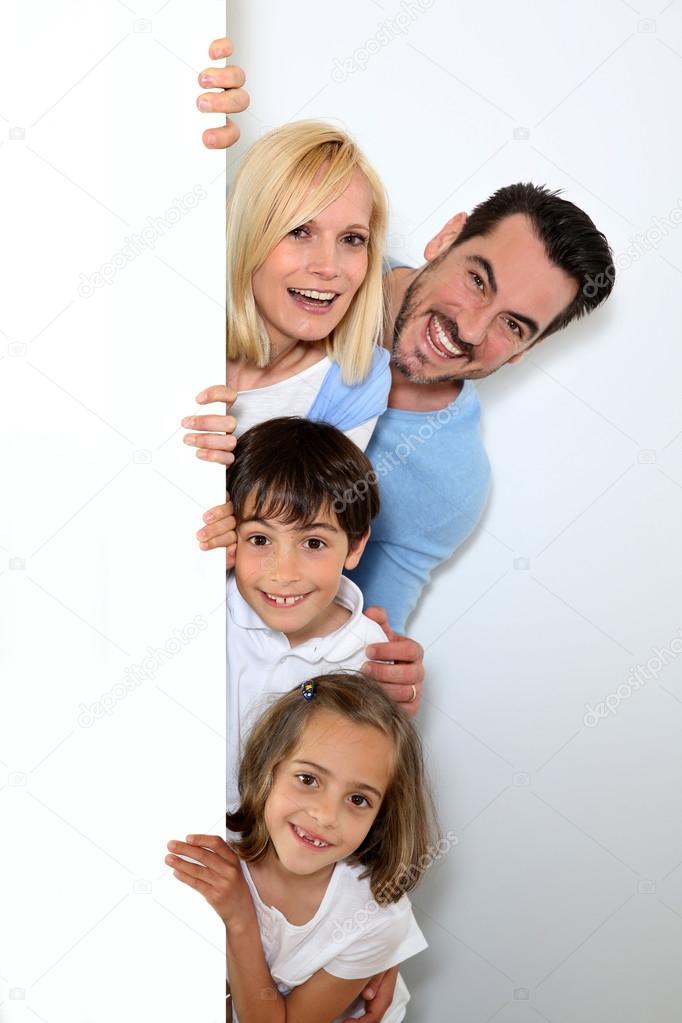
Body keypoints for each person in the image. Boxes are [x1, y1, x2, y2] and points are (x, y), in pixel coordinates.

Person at [191, 37, 616, 634]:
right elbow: (230, 221)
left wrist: (379, 670)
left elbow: (347, 629)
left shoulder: (450, 482)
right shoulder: (311, 266)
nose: (470, 327)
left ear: (529, 349)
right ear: (446, 238)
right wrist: (195, 120)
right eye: (477, 280)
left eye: (513, 324)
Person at [166, 672, 438, 1023]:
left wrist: (239, 918)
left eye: (358, 799)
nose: (325, 816)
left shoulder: (374, 917)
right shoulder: (210, 850)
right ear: (269, 767)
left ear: (382, 815)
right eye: (308, 779)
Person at [224, 416, 415, 810]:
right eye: (259, 539)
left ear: (355, 546)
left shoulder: (368, 656)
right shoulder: (209, 609)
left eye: (313, 543)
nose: (283, 573)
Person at [182, 118, 391, 461]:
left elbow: (311, 500)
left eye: (352, 239)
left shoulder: (356, 383)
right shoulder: (175, 312)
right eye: (299, 231)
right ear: (248, 233)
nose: (328, 266)